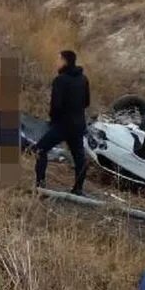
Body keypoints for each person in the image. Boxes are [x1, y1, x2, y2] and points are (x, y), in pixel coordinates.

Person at [33, 50, 91, 195]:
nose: (56, 62)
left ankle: (40, 185)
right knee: (79, 158)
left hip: (63, 125)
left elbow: (56, 106)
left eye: (58, 59)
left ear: (65, 61)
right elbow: (87, 102)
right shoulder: (83, 79)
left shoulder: (60, 80)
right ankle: (78, 189)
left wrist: (54, 121)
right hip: (78, 125)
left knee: (40, 150)